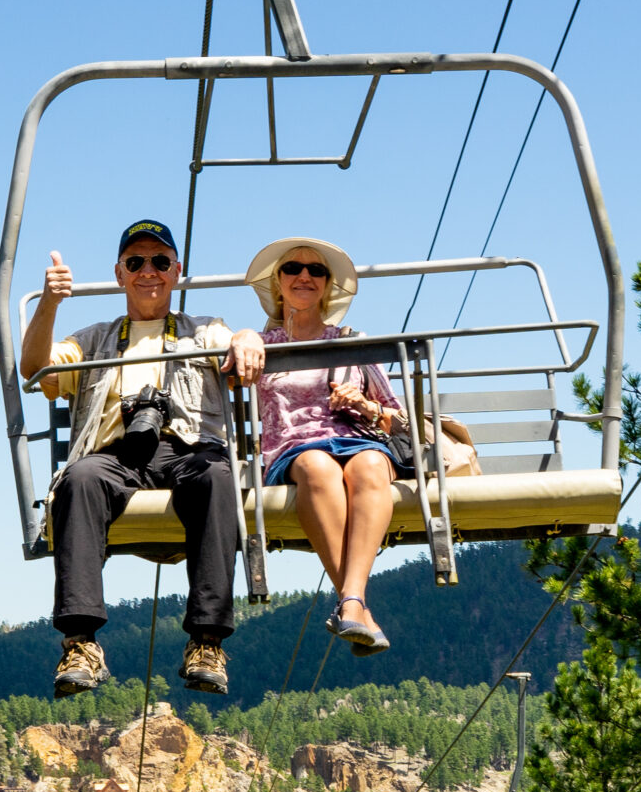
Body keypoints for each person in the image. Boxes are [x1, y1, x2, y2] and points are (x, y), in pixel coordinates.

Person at [20, 219, 266, 697]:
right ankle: (80, 643)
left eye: (159, 261)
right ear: (119, 274)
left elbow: (241, 349)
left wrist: (247, 337)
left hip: (187, 448)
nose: (148, 271)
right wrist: (49, 303)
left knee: (218, 478)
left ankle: (207, 640)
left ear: (177, 270)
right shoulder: (93, 339)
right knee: (79, 481)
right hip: (116, 454)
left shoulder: (205, 329)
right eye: (136, 262)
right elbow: (36, 368)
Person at [246, 237, 403, 656]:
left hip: (356, 439)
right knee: (317, 467)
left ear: (327, 285)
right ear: (277, 283)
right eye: (293, 269)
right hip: (295, 449)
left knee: (370, 465)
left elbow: (396, 418)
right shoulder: (262, 349)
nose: (304, 276)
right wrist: (244, 335)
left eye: (316, 271)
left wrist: (362, 403)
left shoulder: (352, 342)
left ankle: (351, 604)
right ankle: (357, 604)